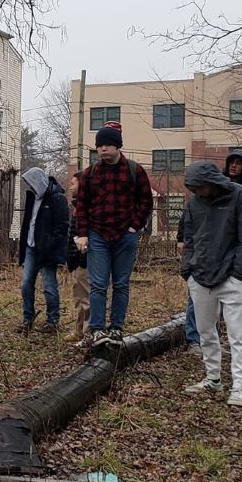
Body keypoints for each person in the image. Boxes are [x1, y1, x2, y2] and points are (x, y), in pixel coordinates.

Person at [180, 160, 242, 407]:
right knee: (205, 331)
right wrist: (188, 271)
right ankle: (213, 378)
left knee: (237, 334)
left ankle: (238, 386)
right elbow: (189, 236)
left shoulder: (241, 196)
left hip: (231, 277)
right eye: (193, 188)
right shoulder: (194, 202)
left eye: (199, 187)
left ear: (210, 182)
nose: (196, 193)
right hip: (200, 275)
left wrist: (239, 273)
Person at [73, 121, 154, 344]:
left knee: (121, 283)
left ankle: (116, 327)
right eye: (100, 146)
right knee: (98, 284)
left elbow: (146, 202)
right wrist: (83, 233)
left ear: (117, 146)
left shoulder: (134, 171)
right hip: (98, 234)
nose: (103, 149)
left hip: (124, 236)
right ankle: (97, 329)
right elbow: (81, 206)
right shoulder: (90, 174)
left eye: (108, 145)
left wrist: (133, 227)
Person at [178, 148, 242, 351]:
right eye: (231, 162)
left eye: (239, 163)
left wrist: (240, 271)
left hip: (229, 259)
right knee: (197, 301)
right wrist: (187, 267)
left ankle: (223, 342)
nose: (234, 166)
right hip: (201, 259)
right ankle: (196, 340)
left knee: (228, 306)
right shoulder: (201, 193)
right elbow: (189, 222)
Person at [18, 166, 70, 332]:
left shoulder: (57, 198)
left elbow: (62, 226)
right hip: (31, 246)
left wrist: (50, 245)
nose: (30, 187)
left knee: (49, 286)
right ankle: (28, 319)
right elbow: (28, 223)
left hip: (47, 250)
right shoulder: (32, 198)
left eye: (32, 183)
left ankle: (53, 320)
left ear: (39, 182)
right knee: (26, 284)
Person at [66, 172, 92, 341]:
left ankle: (89, 333)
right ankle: (79, 331)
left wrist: (81, 256)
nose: (70, 187)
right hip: (77, 259)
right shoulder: (76, 207)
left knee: (87, 297)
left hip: (85, 259)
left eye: (73, 183)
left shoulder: (88, 208)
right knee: (78, 296)